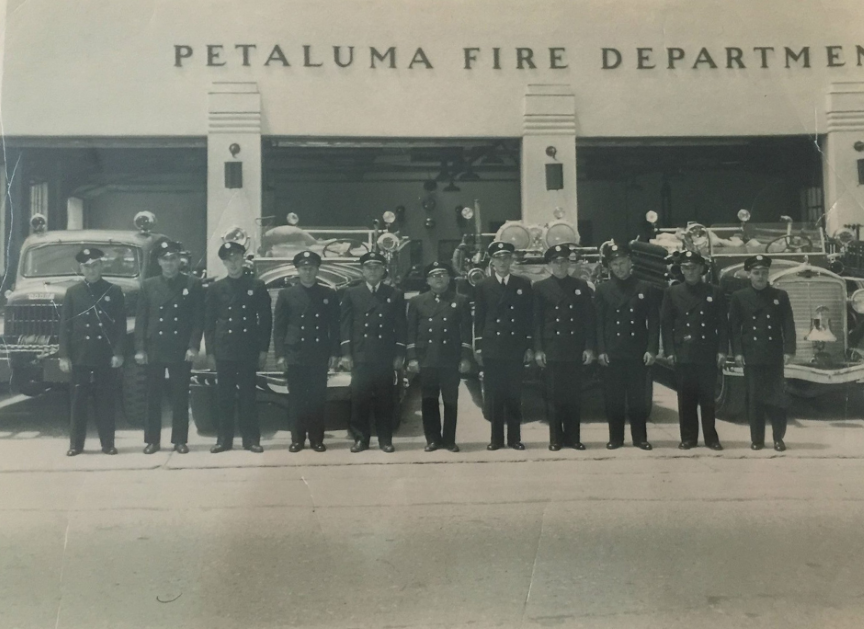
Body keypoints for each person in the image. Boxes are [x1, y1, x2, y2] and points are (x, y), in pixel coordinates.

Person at [134, 240, 204, 455]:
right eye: (165, 259)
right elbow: (141, 320)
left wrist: (193, 346)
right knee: (152, 396)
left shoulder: (192, 283)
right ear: (159, 262)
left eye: (173, 258)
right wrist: (140, 349)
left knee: (179, 396)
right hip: (155, 347)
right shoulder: (148, 284)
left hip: (180, 348)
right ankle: (152, 440)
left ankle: (180, 440)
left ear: (179, 260)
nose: (169, 263)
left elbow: (198, 319)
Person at [204, 241, 272, 454]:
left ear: (243, 259)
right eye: (228, 260)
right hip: (224, 349)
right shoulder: (216, 288)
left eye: (236, 258)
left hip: (248, 349)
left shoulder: (256, 286)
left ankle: (251, 439)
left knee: (248, 396)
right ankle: (224, 440)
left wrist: (263, 350)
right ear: (223, 263)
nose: (233, 264)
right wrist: (210, 352)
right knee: (224, 396)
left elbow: (266, 320)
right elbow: (209, 323)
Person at [58, 247, 126, 456]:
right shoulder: (73, 292)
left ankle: (108, 444)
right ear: (81, 269)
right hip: (80, 355)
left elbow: (120, 326)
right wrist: (64, 355)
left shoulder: (113, 291)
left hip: (104, 355)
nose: (91, 270)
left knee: (105, 401)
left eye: (95, 265)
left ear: (101, 266)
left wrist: (118, 352)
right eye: (87, 267)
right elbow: (65, 326)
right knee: (78, 401)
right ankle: (76, 445)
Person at [594, 242, 660, 450]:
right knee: (614, 398)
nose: (619, 268)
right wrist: (601, 350)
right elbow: (599, 323)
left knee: (637, 398)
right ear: (609, 267)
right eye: (615, 264)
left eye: (622, 263)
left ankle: (640, 438)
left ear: (630, 262)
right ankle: (616, 438)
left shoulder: (645, 288)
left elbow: (653, 322)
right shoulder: (603, 290)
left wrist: (652, 349)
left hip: (637, 351)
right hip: (613, 352)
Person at [340, 251, 406, 453]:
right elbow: (345, 325)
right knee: (359, 398)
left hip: (384, 355)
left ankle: (385, 439)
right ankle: (361, 439)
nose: (373, 271)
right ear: (362, 271)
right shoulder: (352, 293)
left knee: (385, 399)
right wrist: (346, 353)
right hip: (360, 354)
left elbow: (401, 326)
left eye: (377, 267)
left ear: (383, 270)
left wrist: (399, 354)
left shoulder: (394, 294)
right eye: (368, 267)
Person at [273, 250, 340, 453]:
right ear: (298, 270)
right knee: (297, 399)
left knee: (317, 399)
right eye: (304, 268)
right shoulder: (286, 294)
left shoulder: (328, 294)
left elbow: (335, 327)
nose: (307, 272)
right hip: (295, 354)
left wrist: (334, 353)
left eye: (311, 268)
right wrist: (280, 355)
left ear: (317, 270)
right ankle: (297, 439)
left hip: (319, 353)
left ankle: (317, 439)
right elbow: (279, 328)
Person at [659, 250, 726, 450]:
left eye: (694, 268)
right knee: (686, 399)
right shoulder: (672, 292)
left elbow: (723, 325)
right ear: (681, 270)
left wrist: (722, 351)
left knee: (708, 399)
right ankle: (688, 437)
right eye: (686, 268)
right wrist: (670, 351)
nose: (690, 272)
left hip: (707, 351)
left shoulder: (714, 292)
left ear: (701, 269)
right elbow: (666, 324)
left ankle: (711, 438)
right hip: (683, 352)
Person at [729, 255, 796, 451]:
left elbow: (788, 324)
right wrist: (738, 352)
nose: (760, 277)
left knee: (777, 398)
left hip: (774, 353)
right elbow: (734, 328)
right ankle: (757, 439)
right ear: (749, 274)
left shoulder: (779, 296)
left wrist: (789, 349)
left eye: (764, 273)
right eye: (756, 273)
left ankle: (778, 438)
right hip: (752, 354)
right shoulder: (739, 297)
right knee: (755, 399)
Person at [533, 244, 595, 451]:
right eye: (555, 262)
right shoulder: (540, 287)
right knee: (554, 396)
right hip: (552, 348)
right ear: (549, 265)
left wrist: (589, 347)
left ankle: (573, 438)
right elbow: (536, 321)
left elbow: (588, 320)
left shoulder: (581, 286)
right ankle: (556, 439)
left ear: (569, 263)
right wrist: (539, 349)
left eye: (563, 261)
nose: (560, 265)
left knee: (574, 395)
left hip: (574, 347)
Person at [406, 261, 473, 452]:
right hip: (427, 358)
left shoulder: (461, 300)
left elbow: (466, 332)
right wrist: (412, 357)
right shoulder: (416, 302)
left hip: (450, 358)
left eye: (443, 274)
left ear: (449, 278)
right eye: (434, 275)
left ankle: (449, 440)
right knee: (429, 400)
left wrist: (465, 357)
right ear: (427, 280)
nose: (439, 278)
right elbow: (411, 332)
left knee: (451, 400)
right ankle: (433, 439)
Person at [474, 241, 533, 450]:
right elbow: (479, 318)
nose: (502, 262)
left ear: (511, 260)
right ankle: (496, 439)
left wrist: (529, 346)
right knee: (495, 396)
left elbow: (528, 317)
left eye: (506, 258)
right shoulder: (483, 285)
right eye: (498, 258)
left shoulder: (523, 284)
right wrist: (479, 346)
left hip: (515, 346)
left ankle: (514, 438)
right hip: (493, 346)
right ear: (492, 261)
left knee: (514, 395)